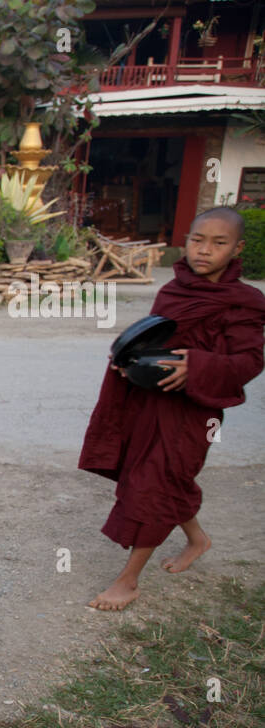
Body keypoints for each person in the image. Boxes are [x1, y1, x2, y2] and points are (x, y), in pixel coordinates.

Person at [80, 206, 265, 611]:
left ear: (237, 249)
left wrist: (197, 367)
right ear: (186, 241)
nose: (204, 251)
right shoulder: (173, 291)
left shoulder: (244, 302)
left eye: (219, 243)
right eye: (198, 240)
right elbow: (153, 339)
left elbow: (250, 361)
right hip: (153, 401)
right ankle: (198, 540)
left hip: (195, 410)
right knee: (162, 479)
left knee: (156, 485)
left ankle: (128, 581)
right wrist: (129, 363)